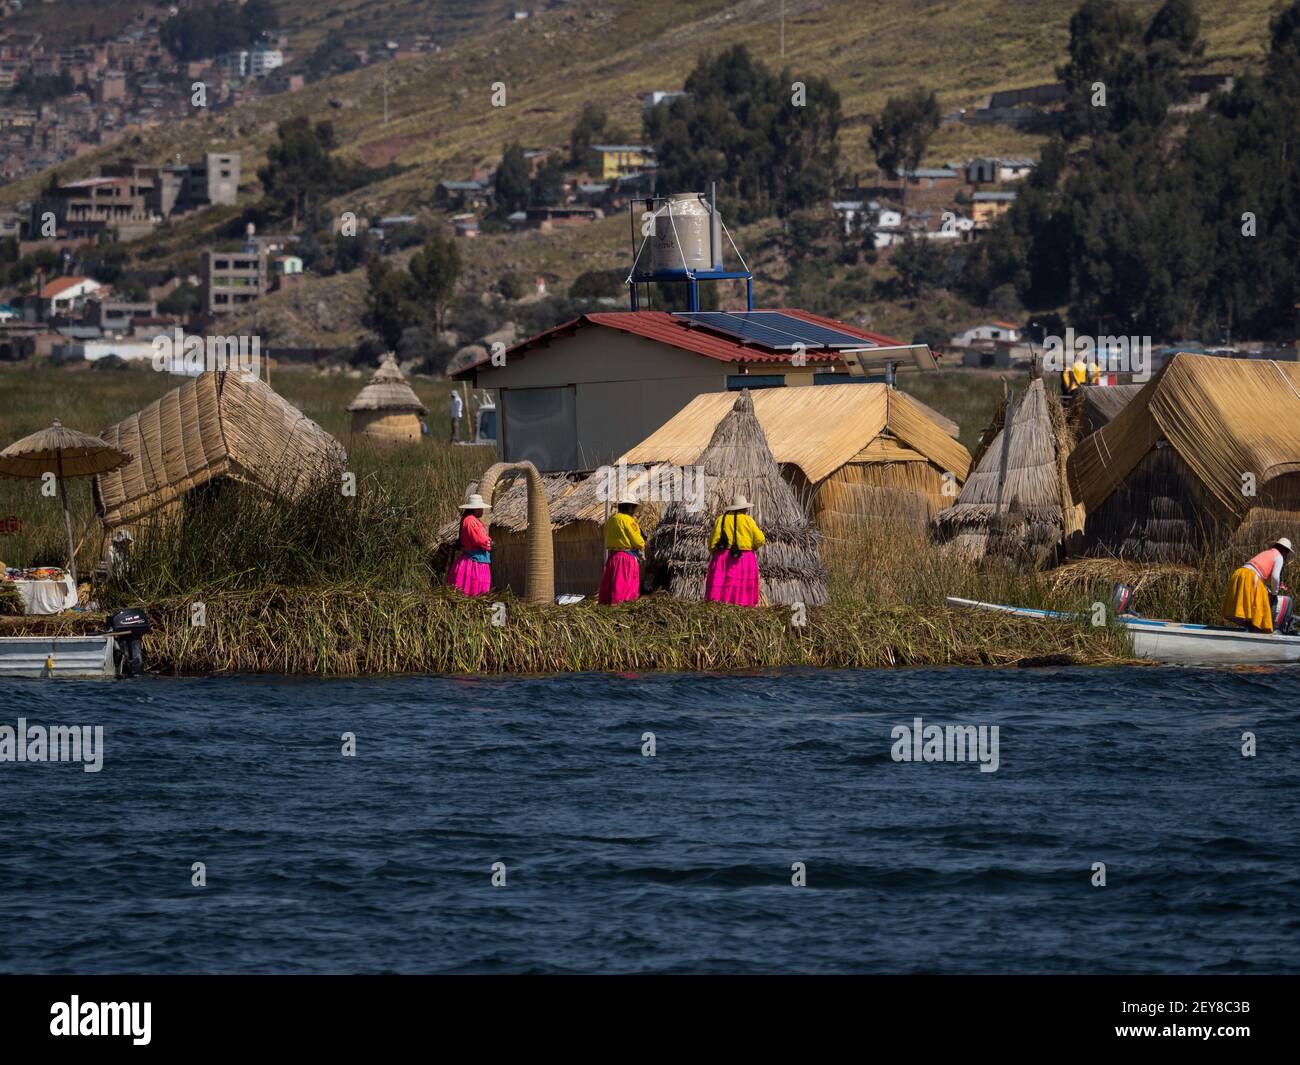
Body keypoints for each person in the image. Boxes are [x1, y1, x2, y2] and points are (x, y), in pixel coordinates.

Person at [704, 495, 765, 606]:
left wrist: (716, 554)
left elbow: (712, 541)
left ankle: (718, 606)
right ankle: (741, 606)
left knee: (721, 584)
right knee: (742, 585)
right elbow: (760, 539)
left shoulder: (721, 519)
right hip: (745, 557)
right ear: (744, 508)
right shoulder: (748, 521)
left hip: (722, 557)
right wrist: (753, 547)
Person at [1222, 537, 1292, 633]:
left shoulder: (1267, 552)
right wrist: (1274, 593)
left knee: (1247, 609)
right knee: (1261, 609)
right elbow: (1275, 577)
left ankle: (1250, 626)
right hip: (1250, 577)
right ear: (1285, 551)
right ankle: (1258, 630)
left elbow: (1260, 571)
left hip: (1239, 574)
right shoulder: (1279, 556)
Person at [597, 493, 644, 605]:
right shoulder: (629, 521)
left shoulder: (611, 520)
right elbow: (637, 541)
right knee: (623, 587)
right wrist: (643, 544)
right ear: (630, 507)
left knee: (611, 585)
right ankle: (620, 610)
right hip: (626, 559)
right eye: (634, 508)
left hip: (613, 557)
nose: (634, 511)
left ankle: (607, 608)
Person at [448, 494, 492, 596]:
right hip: (474, 562)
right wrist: (489, 543)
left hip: (478, 559)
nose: (482, 510)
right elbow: (480, 539)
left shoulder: (472, 520)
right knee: (473, 590)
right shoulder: (470, 521)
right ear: (475, 508)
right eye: (480, 508)